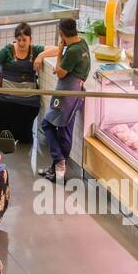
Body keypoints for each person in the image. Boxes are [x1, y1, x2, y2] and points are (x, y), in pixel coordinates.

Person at [37, 18, 92, 182]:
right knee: (64, 130)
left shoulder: (73, 50)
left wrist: (60, 51)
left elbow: (60, 72)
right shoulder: (82, 44)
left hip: (67, 93)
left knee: (49, 124)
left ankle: (59, 162)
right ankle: (55, 169)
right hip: (75, 91)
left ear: (61, 33)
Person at [0, 23, 44, 148]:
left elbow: (56, 49)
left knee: (30, 108)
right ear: (15, 40)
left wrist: (41, 55)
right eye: (19, 40)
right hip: (7, 89)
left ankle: (22, 139)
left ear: (30, 40)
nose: (22, 43)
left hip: (26, 93)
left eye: (24, 40)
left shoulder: (35, 50)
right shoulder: (8, 50)